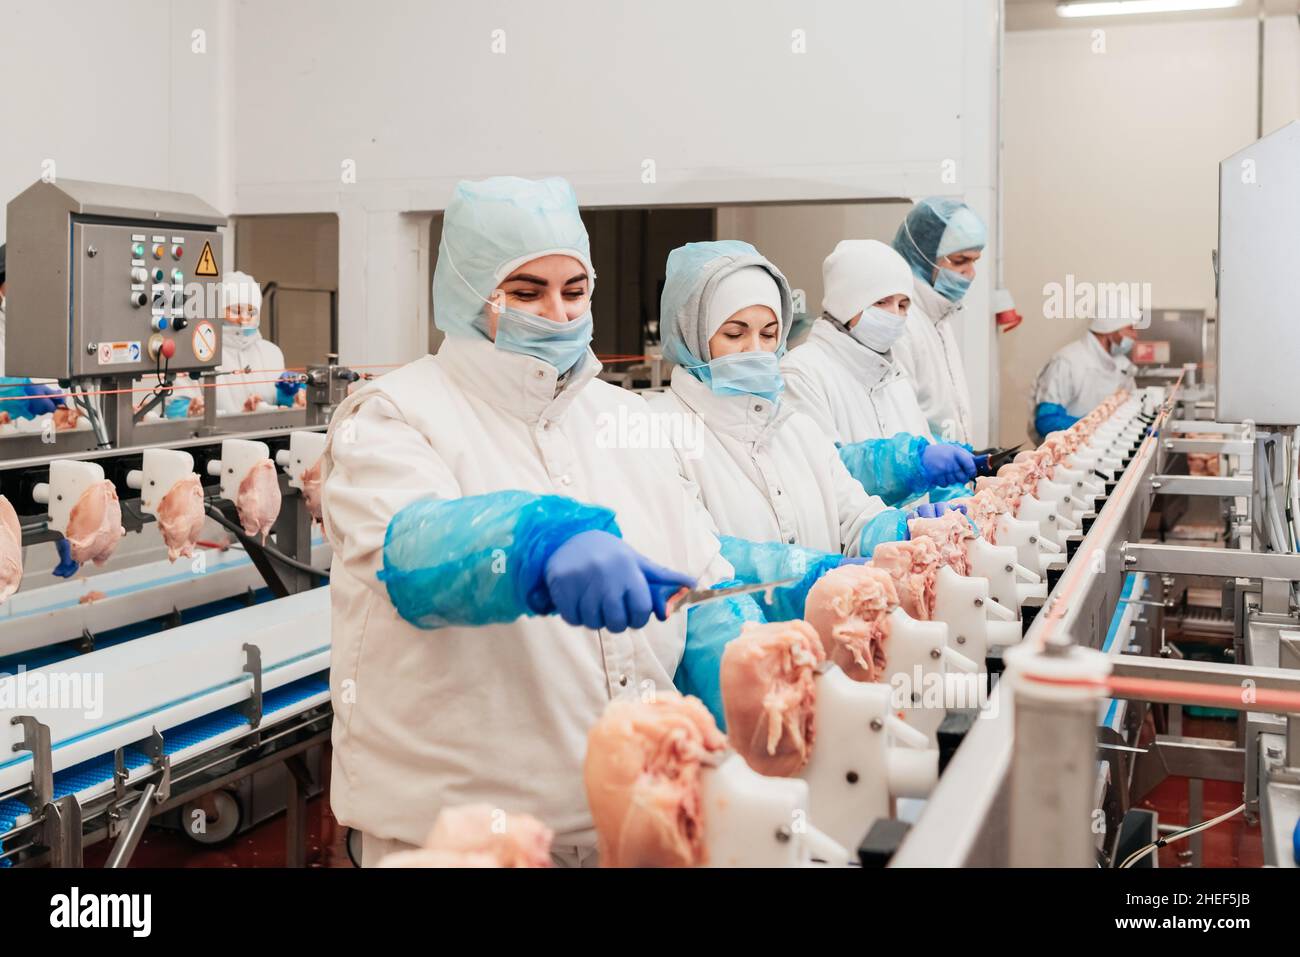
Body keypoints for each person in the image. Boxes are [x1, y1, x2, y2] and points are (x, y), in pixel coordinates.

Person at [319, 176, 746, 868]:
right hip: (460, 844)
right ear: (467, 291)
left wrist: (745, 690)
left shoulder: (627, 419)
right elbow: (410, 553)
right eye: (525, 292)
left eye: (574, 290)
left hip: (632, 829)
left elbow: (700, 581)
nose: (556, 311)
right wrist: (538, 542)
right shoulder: (397, 413)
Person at [781, 239, 977, 505]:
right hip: (851, 544)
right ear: (845, 302)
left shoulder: (893, 376)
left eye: (903, 305)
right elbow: (824, 472)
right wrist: (910, 463)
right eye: (882, 302)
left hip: (912, 543)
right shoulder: (802, 373)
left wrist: (963, 501)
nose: (894, 315)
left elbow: (926, 470)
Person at [891, 198, 988, 446]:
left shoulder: (939, 317)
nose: (971, 273)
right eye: (959, 261)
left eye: (974, 261)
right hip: (927, 481)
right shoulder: (903, 323)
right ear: (922, 255)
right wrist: (944, 475)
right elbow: (902, 428)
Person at [1029, 313, 1137, 441]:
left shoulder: (1122, 364)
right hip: (1067, 453)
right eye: (1130, 328)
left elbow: (1131, 404)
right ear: (1109, 330)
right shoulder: (1067, 362)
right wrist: (1097, 425)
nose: (1135, 335)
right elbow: (1047, 421)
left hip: (1104, 447)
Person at [211, 270, 303, 414]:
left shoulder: (271, 352)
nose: (244, 319)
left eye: (252, 312)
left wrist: (294, 396)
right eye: (235, 311)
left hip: (268, 435)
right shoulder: (204, 353)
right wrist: (193, 410)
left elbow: (279, 399)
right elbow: (178, 407)